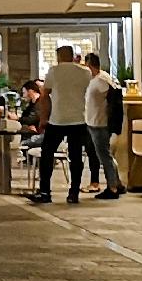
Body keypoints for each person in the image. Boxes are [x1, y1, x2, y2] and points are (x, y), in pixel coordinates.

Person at [31, 47, 94, 204]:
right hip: (79, 119)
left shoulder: (54, 71)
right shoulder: (85, 72)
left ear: (59, 56)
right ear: (72, 56)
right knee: (76, 157)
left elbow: (45, 95)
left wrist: (43, 118)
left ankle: (45, 192)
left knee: (47, 154)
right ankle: (73, 193)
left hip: (57, 119)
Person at [81, 52, 126, 199]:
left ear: (89, 65)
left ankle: (112, 188)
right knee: (106, 155)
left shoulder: (100, 81)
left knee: (104, 156)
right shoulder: (101, 78)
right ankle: (117, 183)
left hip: (99, 123)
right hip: (94, 121)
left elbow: (111, 99)